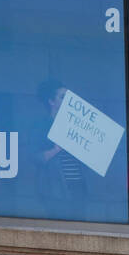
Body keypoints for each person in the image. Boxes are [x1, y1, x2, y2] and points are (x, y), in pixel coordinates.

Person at [34, 78, 87, 220]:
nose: (68, 101)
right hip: (56, 190)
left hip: (79, 188)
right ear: (52, 102)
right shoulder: (42, 126)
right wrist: (56, 149)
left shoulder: (78, 125)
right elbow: (36, 158)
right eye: (63, 97)